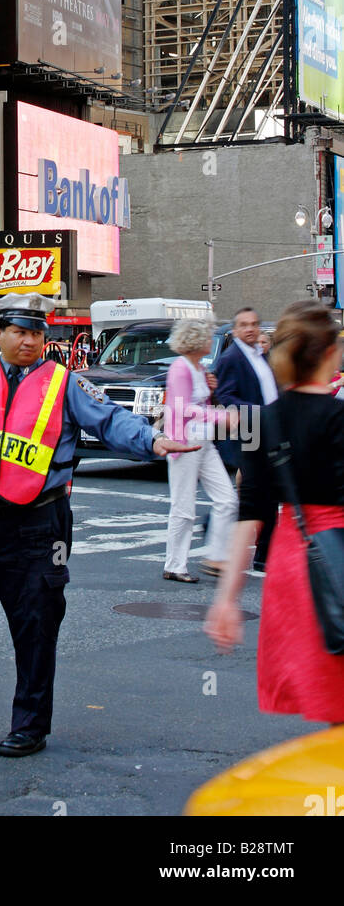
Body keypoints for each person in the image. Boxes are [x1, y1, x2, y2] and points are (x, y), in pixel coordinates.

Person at [0, 293, 197, 757]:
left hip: (39, 525)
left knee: (35, 627)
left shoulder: (64, 383)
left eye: (37, 333)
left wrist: (152, 441)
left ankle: (30, 726)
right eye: (19, 331)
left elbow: (109, 420)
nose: (29, 341)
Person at [205, 302, 344, 725]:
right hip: (337, 550)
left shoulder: (263, 420)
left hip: (295, 557)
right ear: (328, 353)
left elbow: (250, 512)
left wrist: (226, 600)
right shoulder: (340, 417)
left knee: (322, 693)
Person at [161, 319, 239, 583]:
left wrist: (211, 395)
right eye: (207, 337)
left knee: (227, 499)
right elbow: (182, 409)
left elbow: (198, 404)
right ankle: (175, 564)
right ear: (195, 342)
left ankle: (216, 557)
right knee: (183, 506)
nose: (210, 341)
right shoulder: (180, 368)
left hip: (204, 442)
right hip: (185, 441)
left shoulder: (199, 368)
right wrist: (219, 416)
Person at [215, 306, 279, 572]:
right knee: (255, 494)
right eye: (244, 325)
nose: (251, 329)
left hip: (268, 431)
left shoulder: (260, 356)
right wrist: (260, 413)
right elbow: (225, 396)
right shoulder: (232, 358)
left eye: (254, 324)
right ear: (235, 330)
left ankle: (265, 554)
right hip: (250, 432)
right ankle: (215, 529)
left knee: (268, 493)